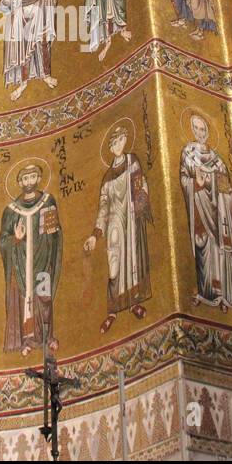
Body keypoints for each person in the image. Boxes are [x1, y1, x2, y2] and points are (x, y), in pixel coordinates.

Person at [84, 127, 154, 332]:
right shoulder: (107, 176)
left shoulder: (133, 162)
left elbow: (142, 186)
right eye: (113, 143)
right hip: (114, 220)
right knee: (114, 265)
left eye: (120, 141)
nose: (117, 146)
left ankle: (133, 303)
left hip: (131, 216)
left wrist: (140, 205)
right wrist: (96, 234)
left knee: (132, 261)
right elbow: (103, 206)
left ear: (125, 140)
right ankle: (113, 310)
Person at [180, 113, 232, 310]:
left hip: (218, 212)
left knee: (218, 247)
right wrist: (196, 185)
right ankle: (207, 292)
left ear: (208, 131)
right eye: (196, 128)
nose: (200, 133)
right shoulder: (187, 153)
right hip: (199, 209)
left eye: (203, 129)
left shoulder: (217, 160)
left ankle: (223, 294)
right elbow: (184, 179)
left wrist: (209, 181)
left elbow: (228, 190)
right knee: (204, 247)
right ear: (192, 129)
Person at [0, 163, 62, 356]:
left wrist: (53, 232)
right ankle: (25, 340)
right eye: (25, 178)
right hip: (20, 265)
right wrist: (15, 238)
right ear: (19, 182)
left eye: (33, 177)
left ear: (39, 178)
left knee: (44, 297)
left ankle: (47, 336)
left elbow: (56, 231)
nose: (29, 182)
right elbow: (3, 240)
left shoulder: (47, 201)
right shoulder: (11, 210)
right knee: (23, 299)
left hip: (43, 259)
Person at [0, 0, 59, 101]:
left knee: (43, 42)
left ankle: (46, 74)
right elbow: (4, 2)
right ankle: (23, 82)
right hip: (20, 14)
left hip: (40, 9)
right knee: (23, 50)